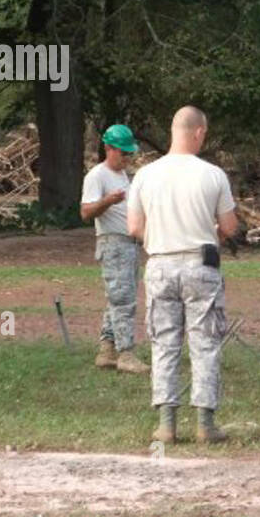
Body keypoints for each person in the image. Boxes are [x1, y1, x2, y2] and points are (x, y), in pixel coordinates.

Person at [126, 106, 239, 444]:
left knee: (164, 342)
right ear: (199, 132)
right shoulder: (213, 175)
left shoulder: (145, 175)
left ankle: (166, 424)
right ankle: (205, 424)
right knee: (205, 342)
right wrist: (209, 233)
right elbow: (230, 226)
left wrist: (162, 238)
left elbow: (134, 227)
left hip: (160, 263)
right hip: (200, 265)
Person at [79, 124, 149, 374]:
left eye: (129, 153)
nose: (127, 157)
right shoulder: (97, 176)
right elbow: (86, 212)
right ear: (108, 148)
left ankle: (107, 350)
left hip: (129, 243)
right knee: (123, 301)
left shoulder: (122, 176)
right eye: (123, 152)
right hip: (113, 243)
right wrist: (108, 201)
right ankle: (126, 353)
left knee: (118, 297)